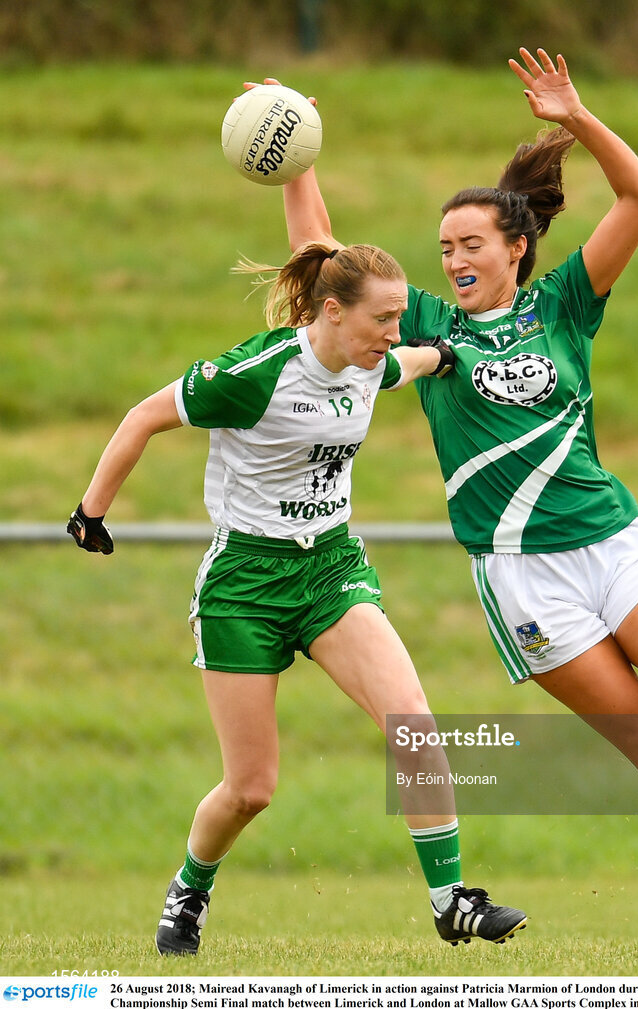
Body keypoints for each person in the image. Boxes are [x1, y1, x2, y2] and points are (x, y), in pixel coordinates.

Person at [279, 48, 638, 959]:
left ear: (516, 246)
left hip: (614, 543)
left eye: (471, 244)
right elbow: (324, 265)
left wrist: (578, 120)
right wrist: (298, 158)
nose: (455, 260)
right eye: (445, 249)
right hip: (525, 583)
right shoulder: (430, 325)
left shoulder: (566, 302)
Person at [67, 239, 526, 954]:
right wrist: (90, 513)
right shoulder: (258, 372)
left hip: (330, 572)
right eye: (382, 318)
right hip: (245, 586)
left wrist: (453, 353)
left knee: (415, 724)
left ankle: (451, 901)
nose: (392, 333)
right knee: (250, 789)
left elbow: (420, 358)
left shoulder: (372, 363)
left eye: (400, 317)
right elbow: (142, 418)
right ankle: (190, 889)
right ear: (332, 312)